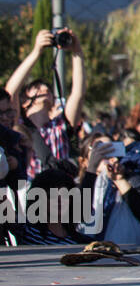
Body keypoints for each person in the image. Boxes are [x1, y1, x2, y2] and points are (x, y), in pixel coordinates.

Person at [5, 29, 85, 179]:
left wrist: (77, 51)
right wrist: (36, 51)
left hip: (60, 194)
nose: (44, 89)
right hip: (32, 193)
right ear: (24, 101)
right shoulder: (19, 125)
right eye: (36, 88)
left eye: (47, 88)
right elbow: (11, 91)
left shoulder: (61, 124)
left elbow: (78, 94)